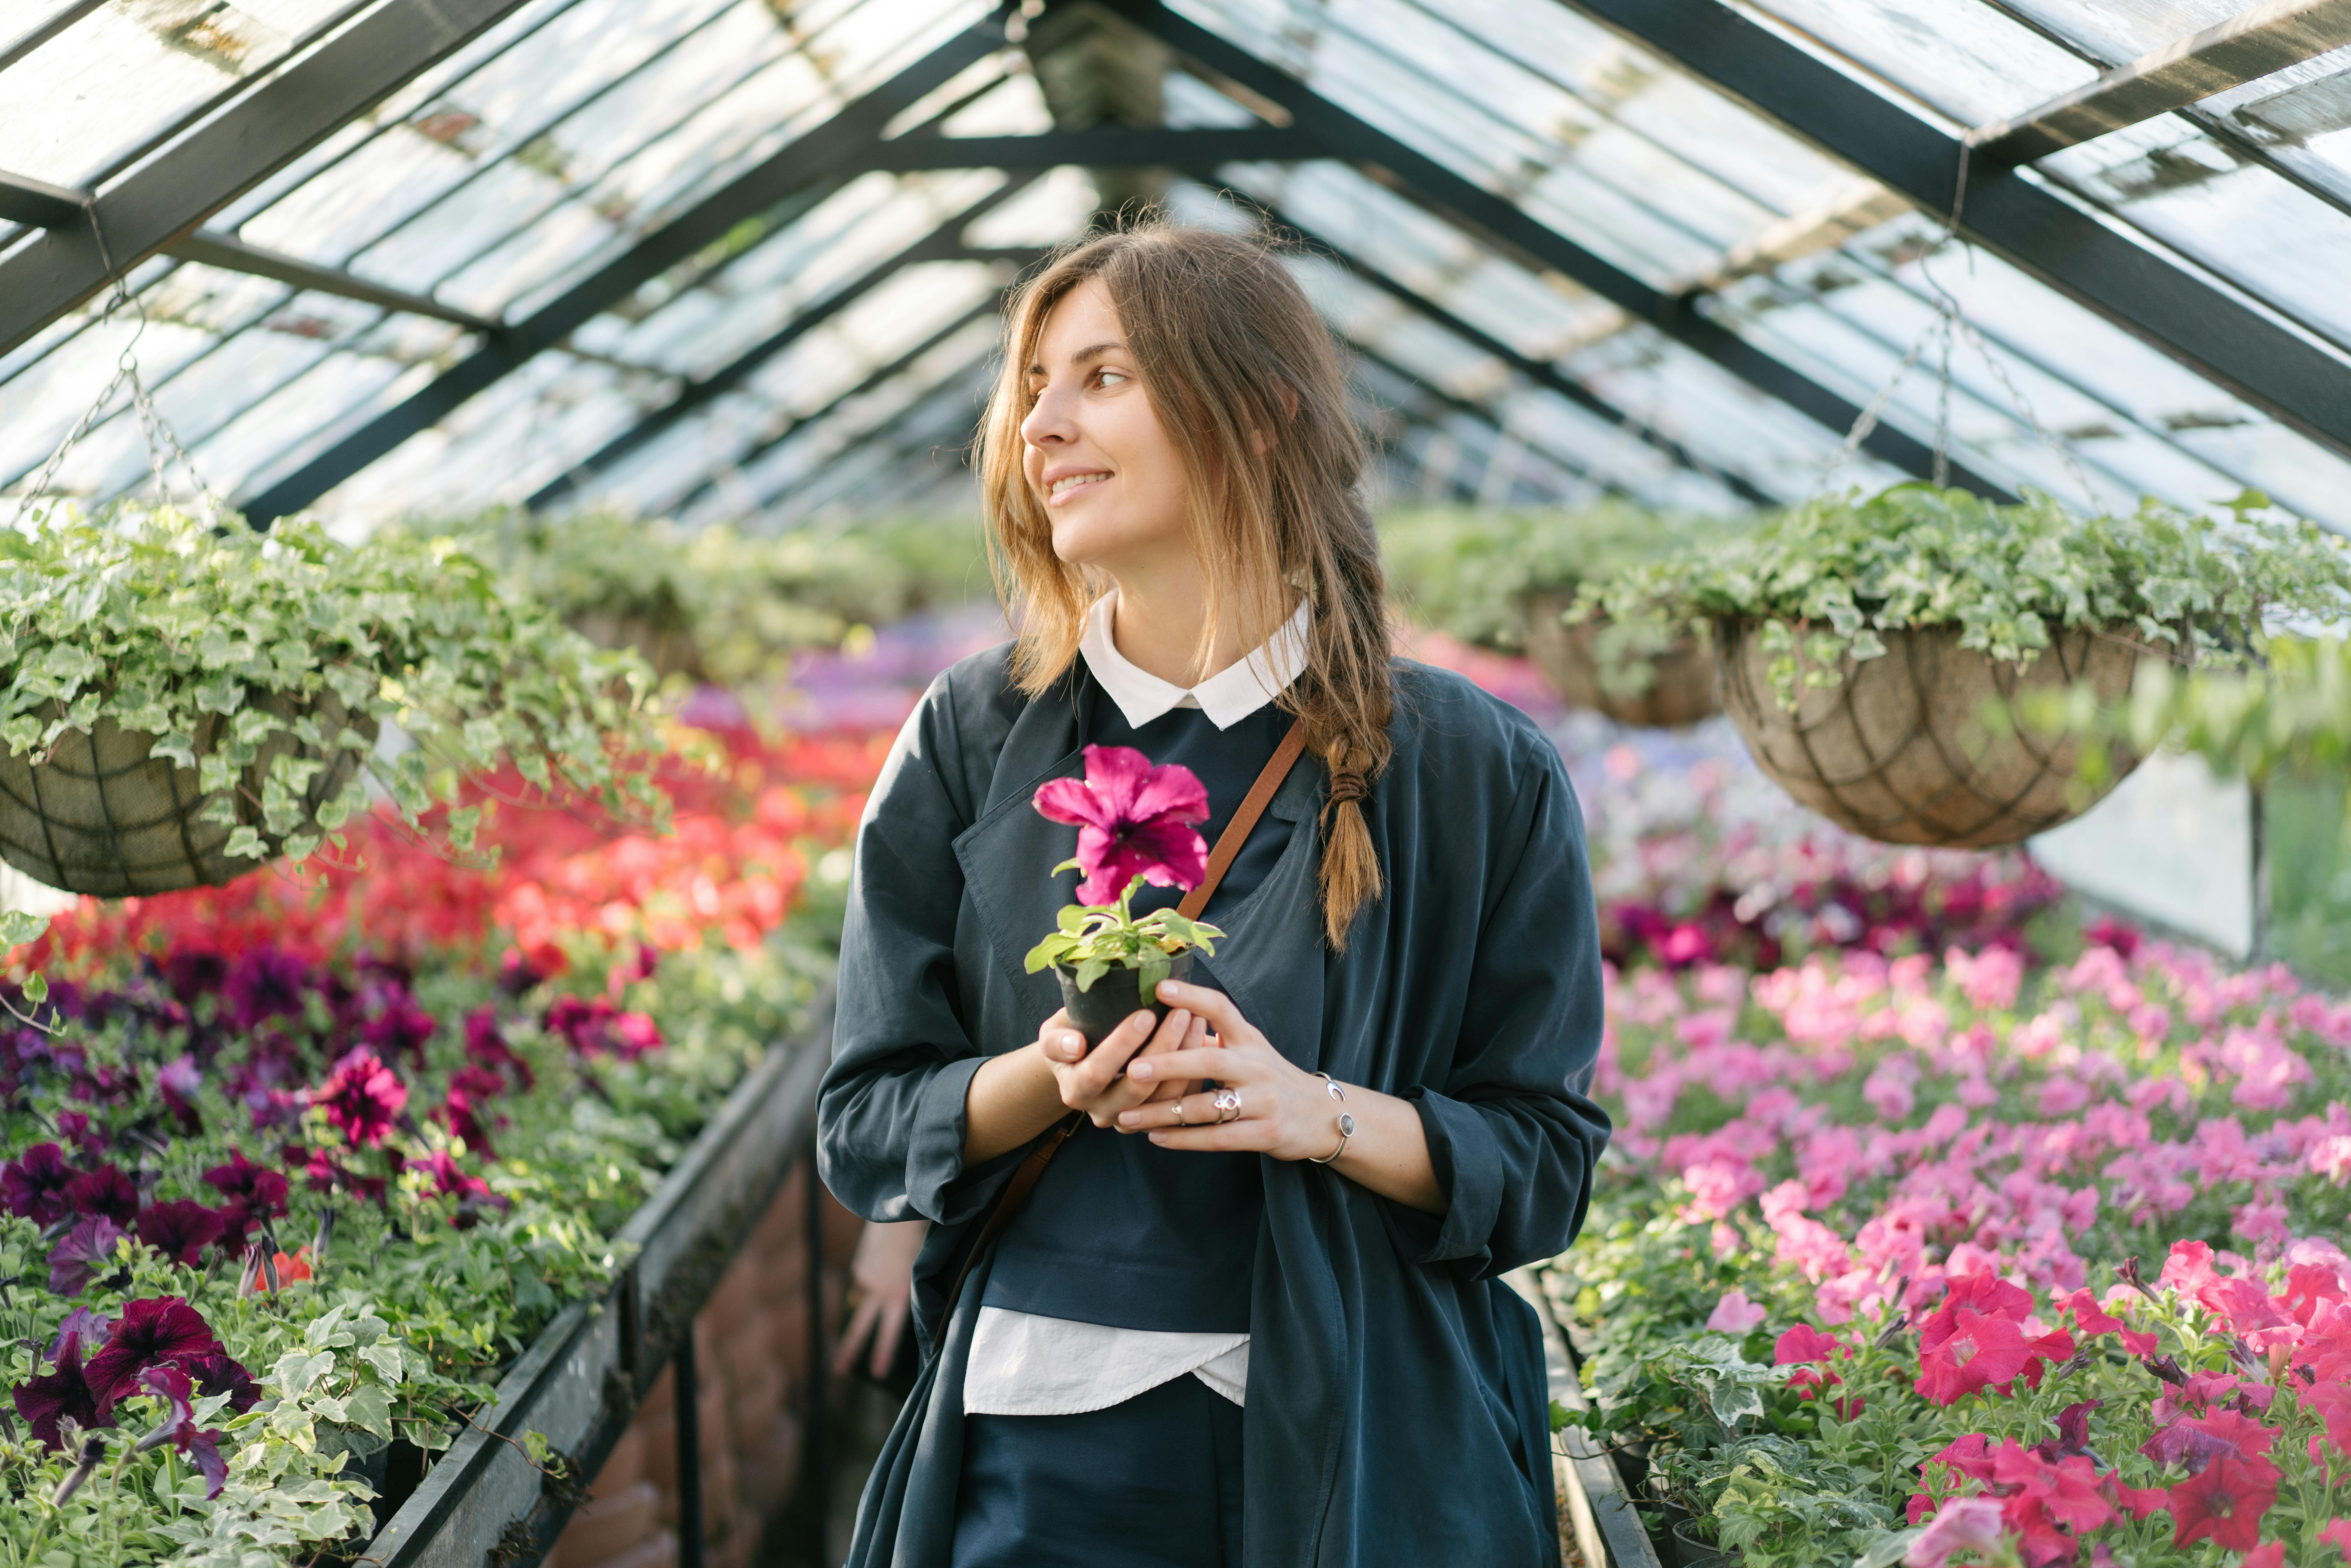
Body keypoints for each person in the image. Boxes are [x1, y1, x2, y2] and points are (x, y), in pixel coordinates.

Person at [817, 219, 1610, 1568]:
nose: (1039, 425)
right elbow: (866, 1122)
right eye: (1034, 387)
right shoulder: (970, 736)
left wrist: (1316, 1116)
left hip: (1365, 1455)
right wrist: (1054, 1074)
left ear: (1255, 414)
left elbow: (1543, 1161)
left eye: (1103, 377)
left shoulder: (1473, 767)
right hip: (1037, 1453)